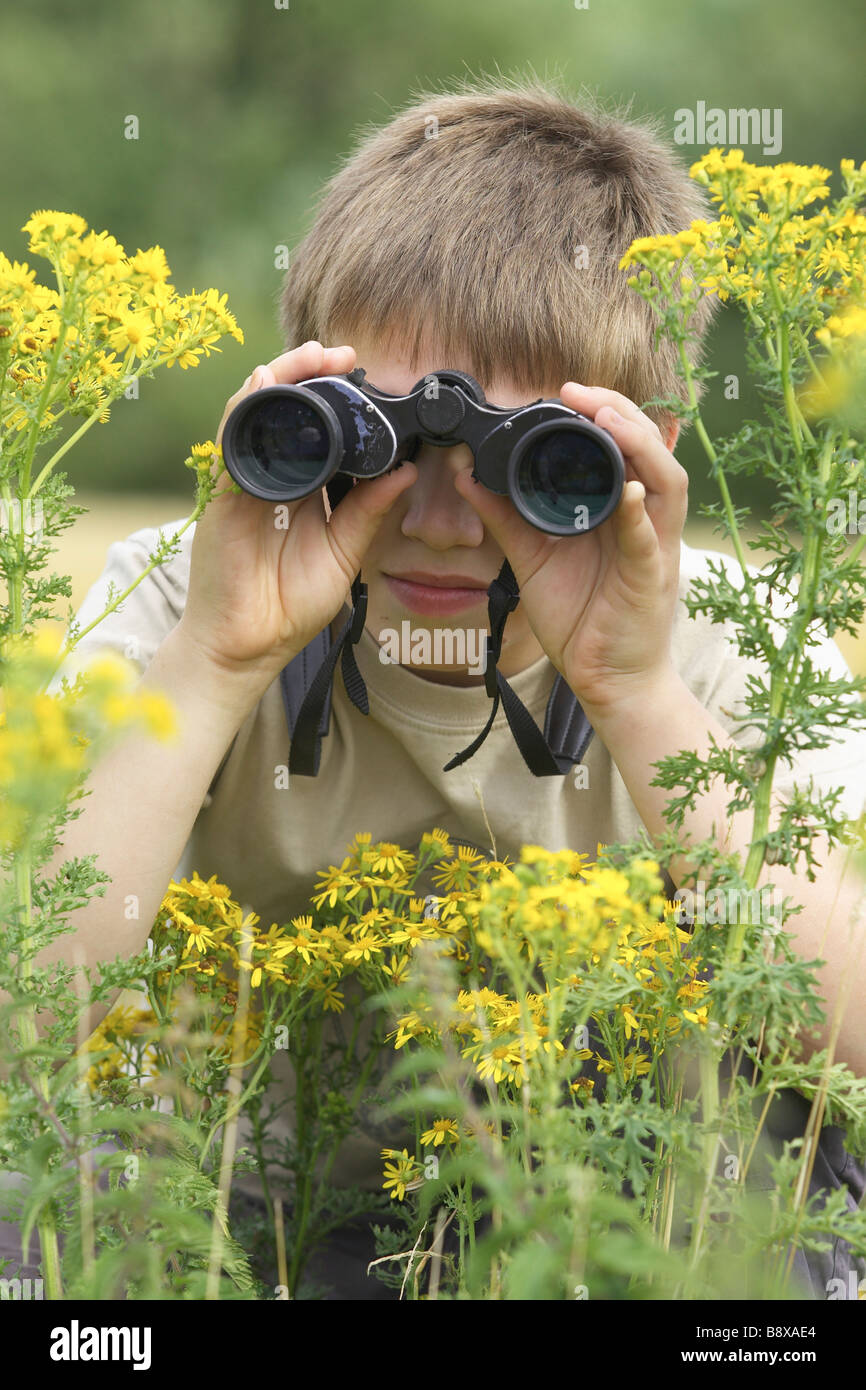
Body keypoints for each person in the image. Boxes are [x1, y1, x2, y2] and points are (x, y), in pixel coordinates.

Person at [8, 76, 866, 1300]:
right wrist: (217, 660)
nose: (438, 521)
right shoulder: (189, 602)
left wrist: (632, 688)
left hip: (652, 1222)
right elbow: (18, 1029)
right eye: (382, 440)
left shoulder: (733, 644)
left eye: (529, 461)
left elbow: (855, 1048)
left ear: (642, 450)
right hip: (267, 1213)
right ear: (295, 409)